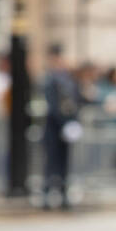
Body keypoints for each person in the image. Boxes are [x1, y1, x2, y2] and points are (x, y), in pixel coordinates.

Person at [41, 43, 81, 210]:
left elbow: (75, 101)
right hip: (53, 127)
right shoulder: (49, 79)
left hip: (66, 126)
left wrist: (72, 121)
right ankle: (47, 195)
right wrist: (65, 123)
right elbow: (52, 105)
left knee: (64, 162)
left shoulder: (68, 78)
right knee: (51, 162)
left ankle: (63, 194)